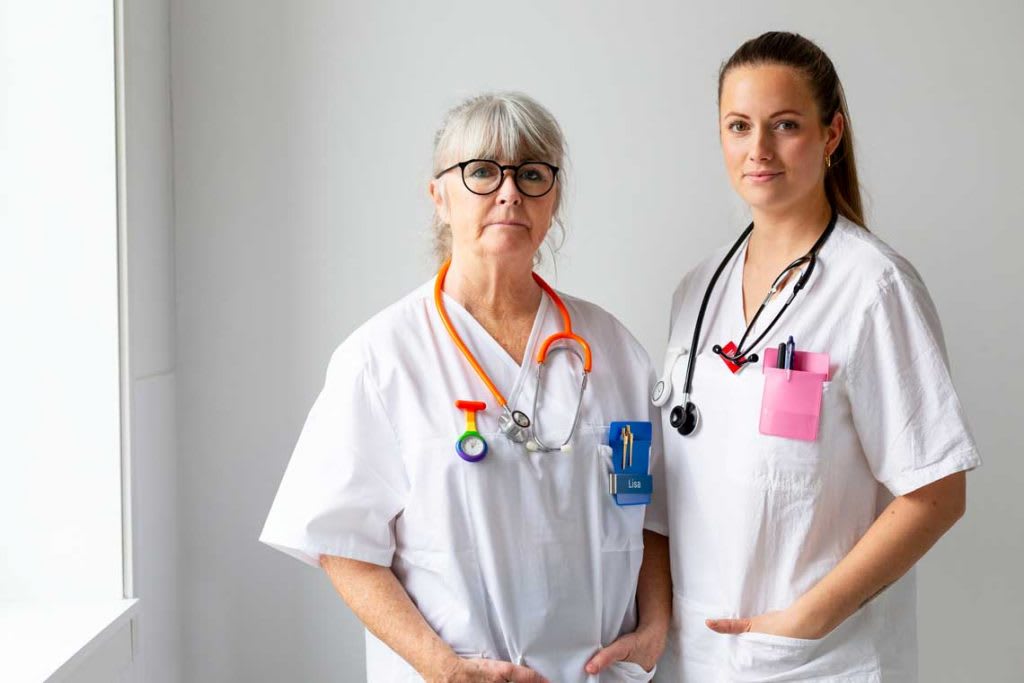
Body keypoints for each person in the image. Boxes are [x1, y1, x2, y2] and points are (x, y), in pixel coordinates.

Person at [260, 92, 670, 682]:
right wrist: (445, 669)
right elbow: (343, 545)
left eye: (532, 175)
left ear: (553, 200)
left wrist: (654, 630)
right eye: (481, 172)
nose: (509, 193)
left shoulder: (612, 349)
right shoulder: (381, 359)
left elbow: (653, 517)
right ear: (439, 198)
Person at [647, 32, 981, 681]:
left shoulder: (873, 287)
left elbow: (937, 490)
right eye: (739, 126)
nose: (758, 150)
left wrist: (808, 619)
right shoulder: (697, 290)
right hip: (696, 656)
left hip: (819, 659)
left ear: (831, 137)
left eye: (786, 125)